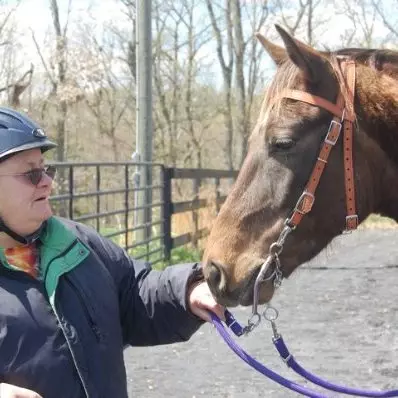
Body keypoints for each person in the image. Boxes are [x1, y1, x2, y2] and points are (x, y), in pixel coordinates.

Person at [0, 107, 225, 398]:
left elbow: (135, 292)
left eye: (46, 169)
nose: (47, 181)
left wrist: (188, 290)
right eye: (31, 174)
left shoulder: (77, 243)